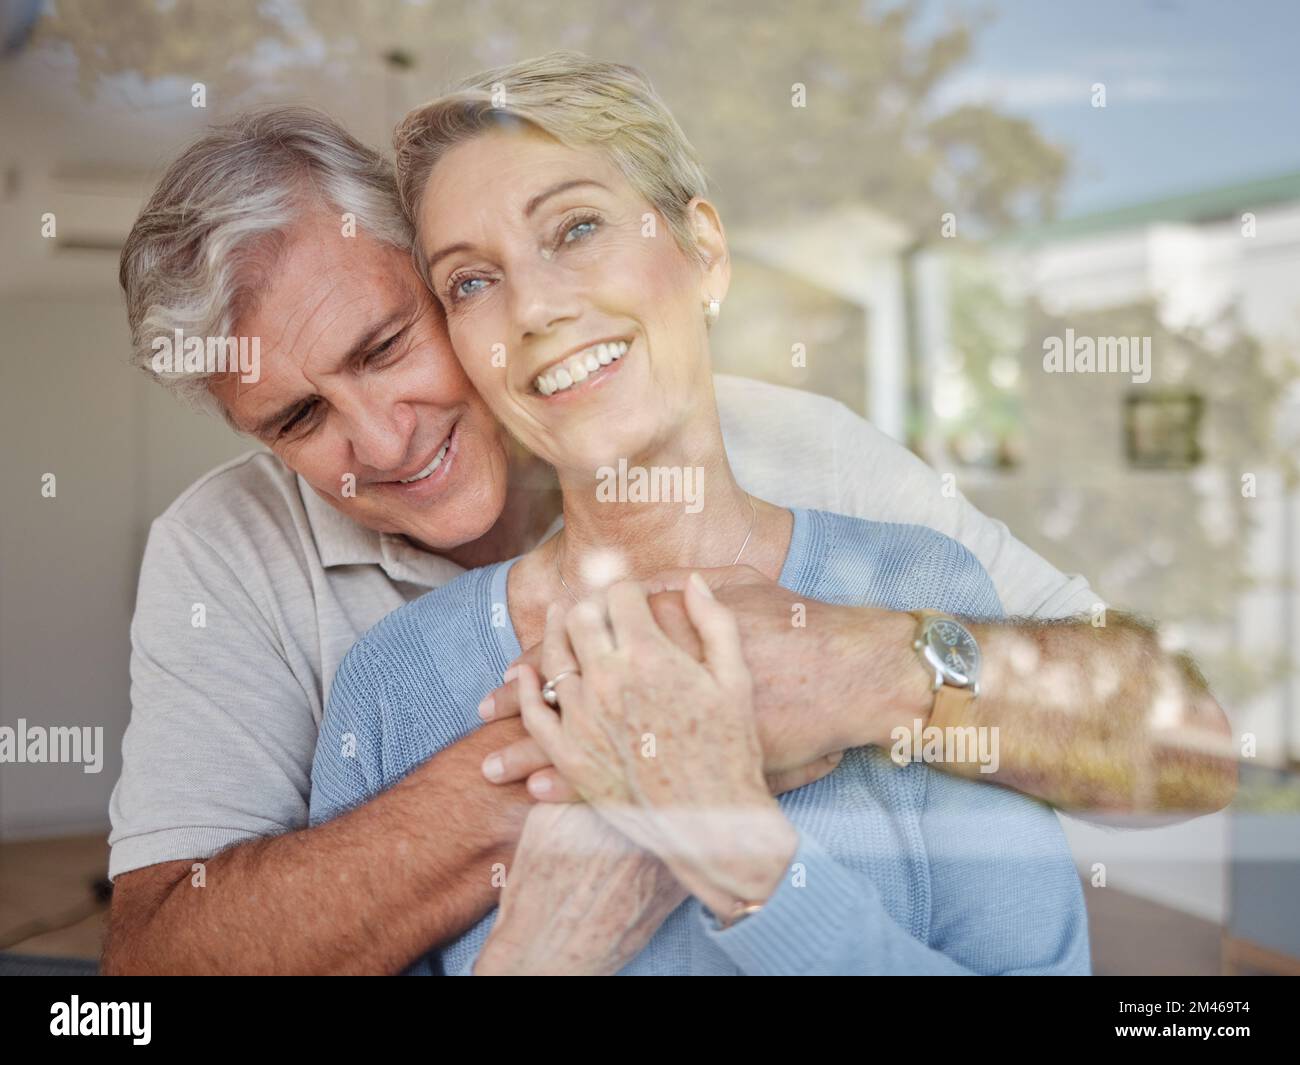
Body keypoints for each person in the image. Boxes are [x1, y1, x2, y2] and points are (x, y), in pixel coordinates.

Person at [104, 84, 1232, 974]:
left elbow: (1186, 745)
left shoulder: (827, 478)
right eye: (299, 417)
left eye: (386, 345)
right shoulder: (328, 634)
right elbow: (157, 972)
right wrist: (629, 749)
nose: (383, 440)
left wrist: (870, 667)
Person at [306, 53, 1093, 976]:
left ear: (704, 252)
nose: (535, 307)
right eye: (471, 282)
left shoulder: (918, 591)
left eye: (577, 227)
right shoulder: (393, 687)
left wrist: (751, 866)